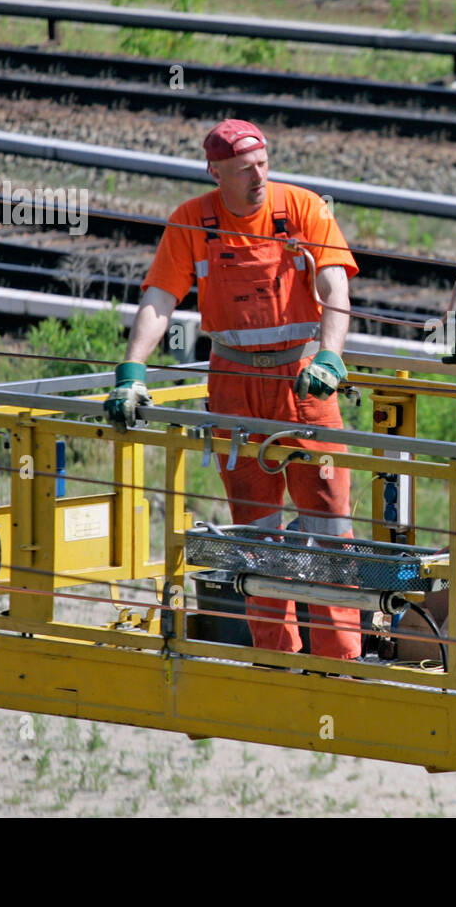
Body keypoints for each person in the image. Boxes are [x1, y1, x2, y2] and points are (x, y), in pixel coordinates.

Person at [104, 119, 361, 660]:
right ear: (215, 172)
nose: (259, 177)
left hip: (305, 380)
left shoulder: (305, 209)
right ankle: (277, 657)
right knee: (256, 531)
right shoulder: (191, 221)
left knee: (331, 525)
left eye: (264, 164)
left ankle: (341, 660)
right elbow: (159, 298)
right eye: (245, 170)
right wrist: (133, 370)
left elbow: (335, 282)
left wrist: (332, 354)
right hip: (235, 386)